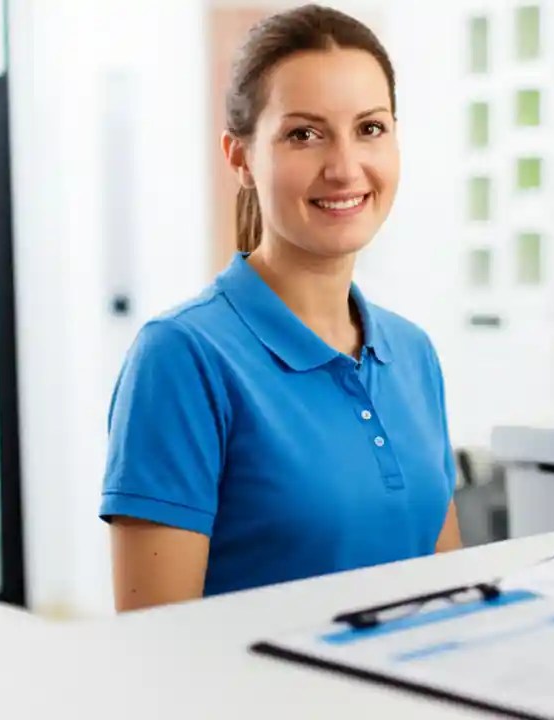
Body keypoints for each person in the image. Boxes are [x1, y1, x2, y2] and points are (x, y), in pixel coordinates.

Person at [100, 4, 461, 612]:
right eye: (304, 134)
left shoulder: (412, 352)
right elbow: (155, 654)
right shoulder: (183, 358)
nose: (345, 168)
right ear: (240, 157)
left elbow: (450, 594)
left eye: (370, 128)